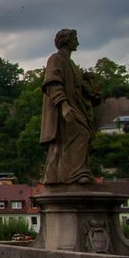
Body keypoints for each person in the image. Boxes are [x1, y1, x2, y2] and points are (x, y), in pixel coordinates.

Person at [40, 29, 101, 185]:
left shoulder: (73, 65)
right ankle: (76, 174)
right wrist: (64, 105)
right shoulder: (55, 59)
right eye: (75, 39)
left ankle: (69, 174)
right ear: (67, 41)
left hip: (77, 108)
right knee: (81, 134)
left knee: (82, 135)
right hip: (63, 110)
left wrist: (92, 85)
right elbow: (52, 83)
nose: (78, 42)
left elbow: (86, 93)